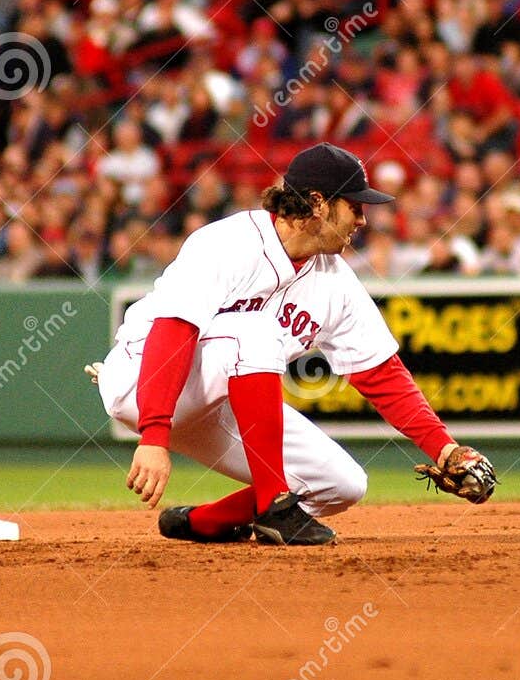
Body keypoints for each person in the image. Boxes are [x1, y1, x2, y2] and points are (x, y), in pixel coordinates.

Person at [91, 143, 496, 545]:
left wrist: (444, 449)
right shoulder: (228, 242)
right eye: (354, 206)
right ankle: (274, 507)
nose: (362, 220)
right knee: (256, 330)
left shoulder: (334, 280)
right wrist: (154, 435)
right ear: (318, 203)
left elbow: (381, 373)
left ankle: (203, 522)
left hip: (220, 400)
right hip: (144, 378)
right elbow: (173, 331)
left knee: (341, 483)